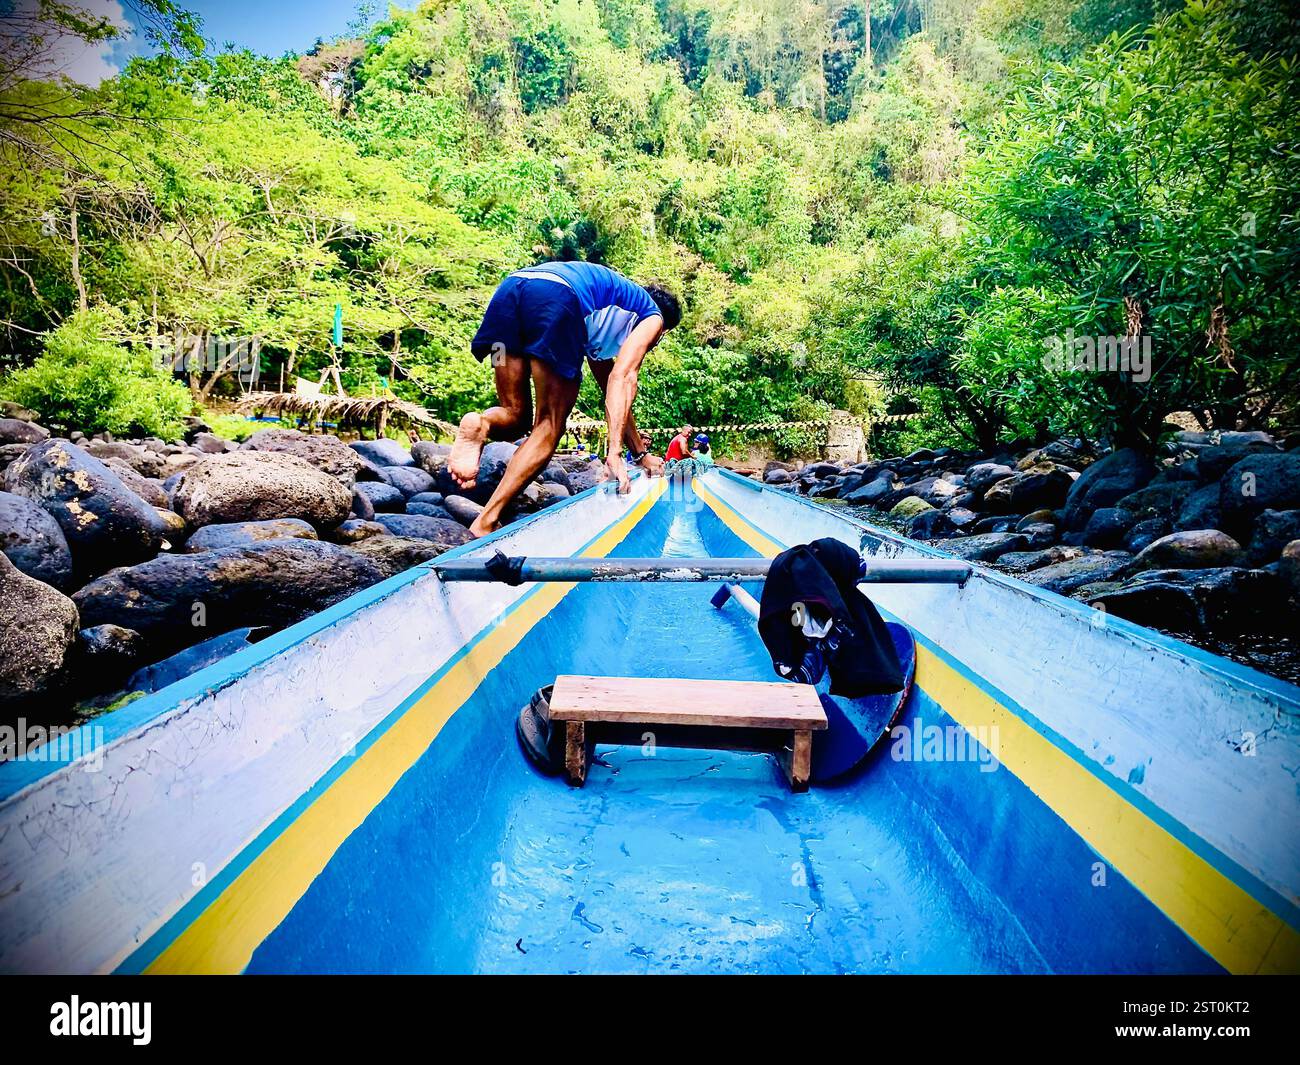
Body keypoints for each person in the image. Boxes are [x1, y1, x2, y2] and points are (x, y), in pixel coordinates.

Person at [449, 261, 681, 536]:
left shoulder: (605, 317)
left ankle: (481, 423)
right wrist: (615, 454)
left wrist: (640, 455)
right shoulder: (652, 316)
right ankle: (485, 521)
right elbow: (624, 378)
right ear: (662, 330)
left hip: (507, 300)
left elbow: (611, 388)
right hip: (555, 299)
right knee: (549, 426)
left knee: (514, 415)